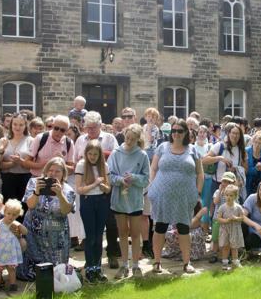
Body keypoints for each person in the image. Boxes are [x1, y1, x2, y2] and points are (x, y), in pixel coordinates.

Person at [148, 119, 204, 273]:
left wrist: (197, 192)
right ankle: (157, 262)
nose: (176, 133)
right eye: (174, 130)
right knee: (160, 227)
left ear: (186, 132)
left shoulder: (193, 150)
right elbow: (153, 168)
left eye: (180, 131)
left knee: (183, 228)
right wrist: (152, 186)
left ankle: (187, 263)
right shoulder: (162, 147)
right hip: (162, 195)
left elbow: (200, 173)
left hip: (184, 197)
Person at [74, 111, 121, 267]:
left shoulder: (109, 138)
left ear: (100, 126)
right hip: (87, 188)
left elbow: (115, 158)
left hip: (105, 184)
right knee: (92, 229)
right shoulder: (81, 140)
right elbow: (77, 159)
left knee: (111, 223)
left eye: (93, 128)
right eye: (88, 128)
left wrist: (100, 155)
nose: (90, 131)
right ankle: (91, 261)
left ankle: (112, 254)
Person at [18, 157, 76, 280]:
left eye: (57, 171)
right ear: (45, 171)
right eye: (50, 170)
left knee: (56, 274)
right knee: (31, 270)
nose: (53, 174)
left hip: (56, 238)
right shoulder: (34, 183)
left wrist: (60, 195)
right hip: (33, 233)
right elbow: (30, 205)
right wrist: (37, 192)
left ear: (63, 174)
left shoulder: (68, 190)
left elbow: (66, 211)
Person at [107, 123, 150, 279]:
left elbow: (146, 179)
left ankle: (136, 265)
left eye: (132, 139)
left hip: (135, 199)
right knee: (123, 232)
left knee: (135, 232)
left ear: (138, 139)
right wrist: (120, 180)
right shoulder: (116, 153)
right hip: (119, 198)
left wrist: (135, 178)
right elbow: (109, 175)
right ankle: (124, 263)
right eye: (127, 138)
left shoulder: (142, 155)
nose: (129, 141)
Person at [0, 198, 26, 292]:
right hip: (1, 250)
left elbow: (25, 232)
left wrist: (19, 226)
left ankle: (12, 284)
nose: (10, 216)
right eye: (9, 213)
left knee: (11, 269)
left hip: (11, 251)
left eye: (14, 215)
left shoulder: (15, 224)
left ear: (18, 215)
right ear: (5, 212)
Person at [0, 113, 32, 207]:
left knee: (23, 208)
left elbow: (33, 164)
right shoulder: (4, 140)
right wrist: (11, 164)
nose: (18, 127)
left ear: (25, 126)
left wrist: (21, 161)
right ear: (11, 125)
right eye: (15, 124)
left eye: (21, 125)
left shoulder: (31, 141)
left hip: (25, 178)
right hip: (7, 179)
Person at [216, 184, 246, 269]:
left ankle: (235, 261)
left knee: (234, 246)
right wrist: (226, 220)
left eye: (231, 195)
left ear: (236, 196)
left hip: (234, 230)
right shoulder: (222, 207)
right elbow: (218, 218)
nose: (228, 197)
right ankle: (225, 262)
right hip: (225, 229)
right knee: (226, 246)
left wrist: (236, 218)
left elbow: (242, 217)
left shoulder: (238, 207)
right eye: (227, 195)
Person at [246, 131, 261, 197]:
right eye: (256, 142)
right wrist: (256, 169)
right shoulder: (246, 151)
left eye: (260, 143)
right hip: (248, 184)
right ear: (253, 140)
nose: (257, 145)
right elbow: (244, 170)